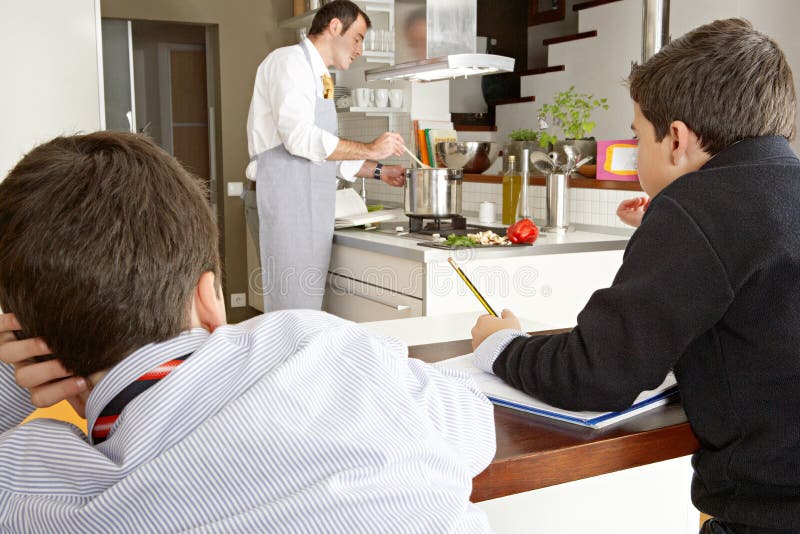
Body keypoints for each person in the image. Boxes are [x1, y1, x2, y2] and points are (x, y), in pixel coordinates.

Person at [0, 131, 495, 532]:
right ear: (209, 297)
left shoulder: (40, 483)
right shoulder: (318, 342)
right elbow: (475, 421)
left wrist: (14, 372)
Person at [471, 18, 800, 533]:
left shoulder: (697, 207)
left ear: (676, 139)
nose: (634, 159)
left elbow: (595, 372)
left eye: (635, 138)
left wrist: (500, 344)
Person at [245, 0, 406, 312]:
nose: (360, 49)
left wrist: (378, 171)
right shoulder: (289, 62)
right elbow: (300, 139)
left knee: (305, 312)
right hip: (285, 201)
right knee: (291, 313)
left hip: (308, 206)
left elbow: (325, 150)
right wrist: (371, 149)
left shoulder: (323, 79)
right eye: (358, 38)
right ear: (335, 27)